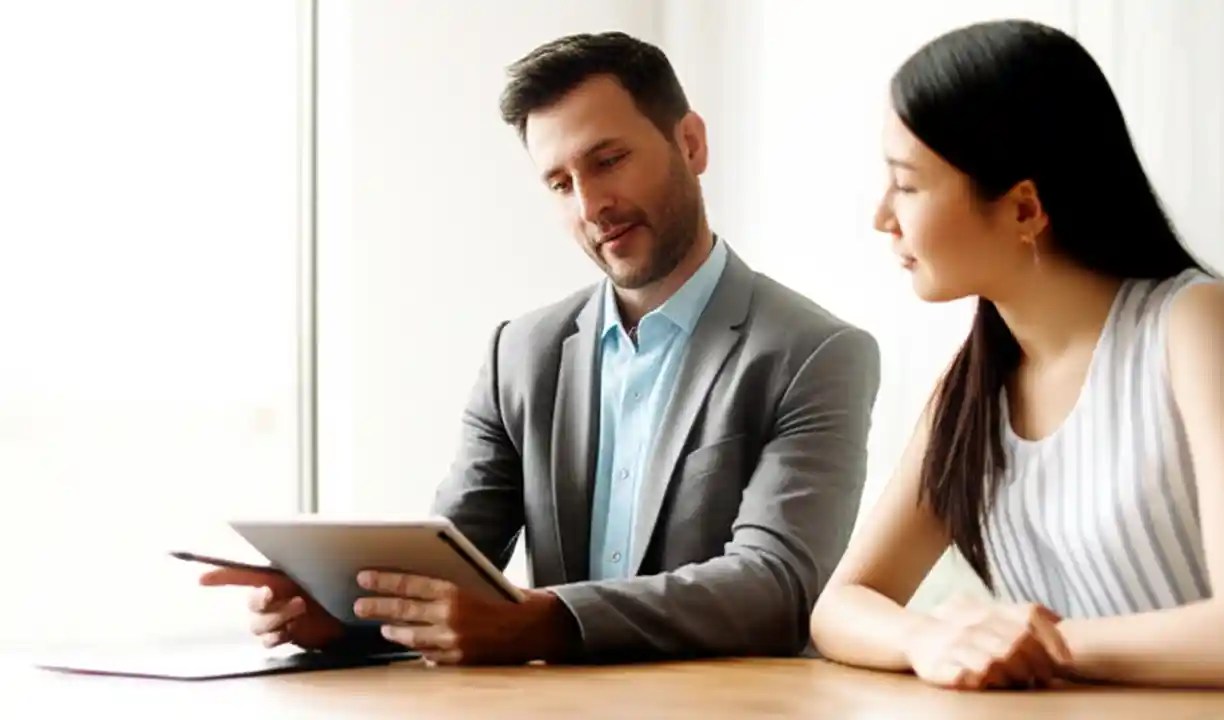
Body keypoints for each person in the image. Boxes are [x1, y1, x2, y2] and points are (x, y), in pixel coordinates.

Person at [203, 31, 880, 665]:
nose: (590, 205)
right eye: (560, 184)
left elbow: (776, 587)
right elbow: (449, 563)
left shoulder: (815, 353)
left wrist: (547, 620)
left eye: (608, 161)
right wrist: (338, 616)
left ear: (692, 143)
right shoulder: (521, 353)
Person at [809, 19, 1224, 691]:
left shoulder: (1197, 323)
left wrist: (1029, 640)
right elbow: (841, 607)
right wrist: (933, 638)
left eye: (907, 185)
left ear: (1025, 208)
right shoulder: (970, 385)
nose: (882, 215)